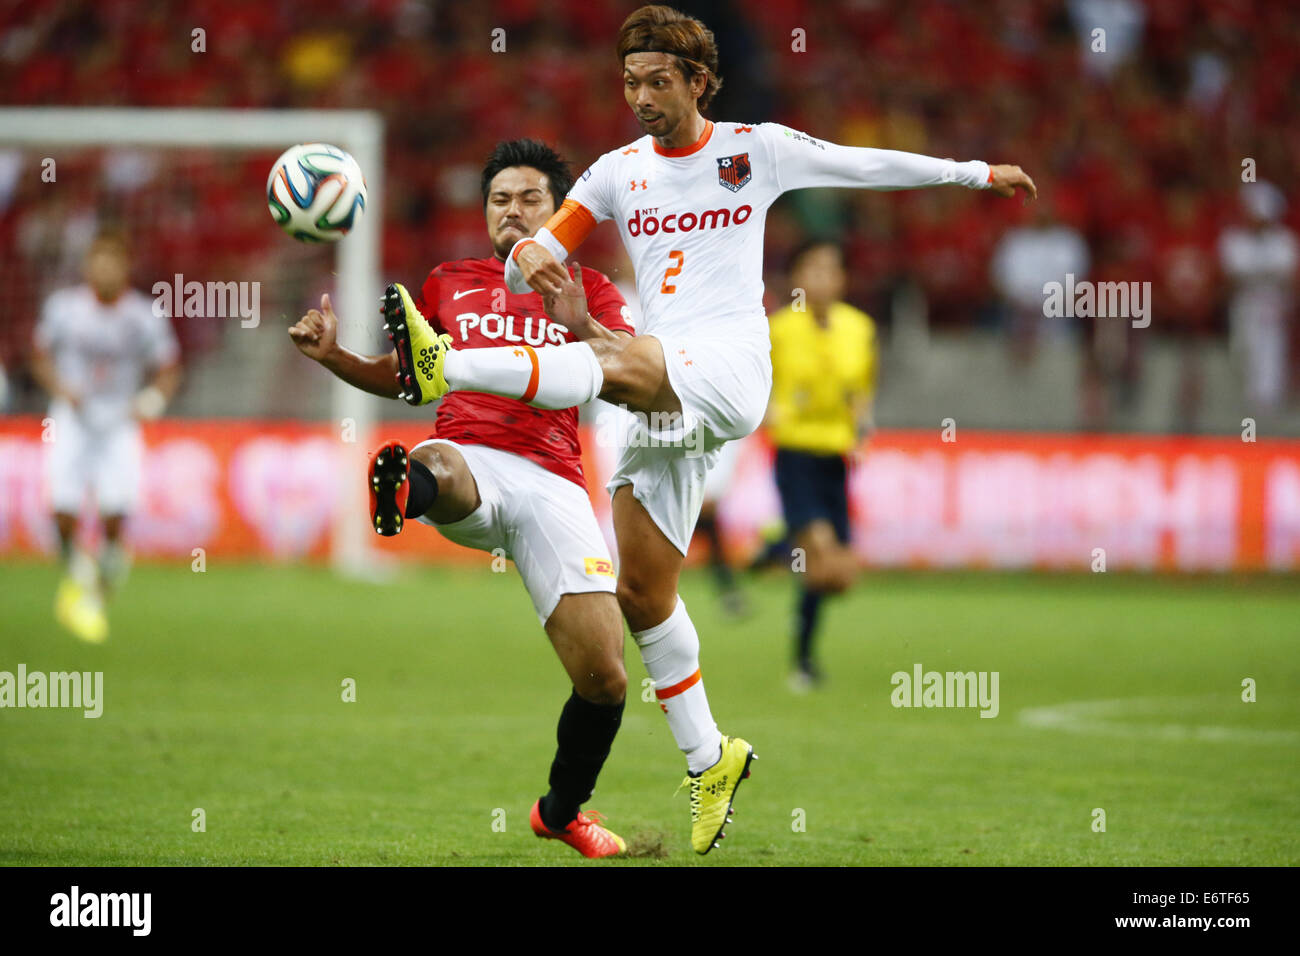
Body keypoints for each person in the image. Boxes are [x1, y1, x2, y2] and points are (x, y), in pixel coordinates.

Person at [387, 3, 1035, 853]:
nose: (642, 97)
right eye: (630, 82)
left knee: (616, 366)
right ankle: (710, 756)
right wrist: (535, 264)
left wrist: (973, 172)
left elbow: (859, 166)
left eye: (659, 80)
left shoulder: (751, 150)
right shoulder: (617, 172)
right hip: (658, 382)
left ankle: (447, 367)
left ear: (699, 80)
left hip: (724, 369)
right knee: (642, 591)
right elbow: (536, 248)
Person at [289, 140, 633, 859]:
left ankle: (562, 811)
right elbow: (408, 374)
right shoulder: (450, 281)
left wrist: (578, 322)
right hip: (472, 454)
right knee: (437, 461)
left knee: (604, 679)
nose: (512, 210)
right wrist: (336, 358)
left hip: (554, 478)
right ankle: (408, 489)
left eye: (529, 198)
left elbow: (624, 370)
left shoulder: (592, 289)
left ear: (562, 211)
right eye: (499, 199)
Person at [31, 229, 182, 643]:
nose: (104, 269)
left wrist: (152, 399)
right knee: (62, 514)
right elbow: (39, 354)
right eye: (98, 261)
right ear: (87, 266)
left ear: (124, 268)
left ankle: (95, 597)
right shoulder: (64, 309)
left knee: (115, 517)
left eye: (112, 261)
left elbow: (169, 366)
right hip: (73, 419)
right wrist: (60, 388)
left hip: (118, 422)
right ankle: (80, 573)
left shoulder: (143, 316)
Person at [766, 240, 876, 690]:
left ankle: (773, 551)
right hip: (795, 454)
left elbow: (863, 391)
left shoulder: (859, 328)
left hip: (836, 457)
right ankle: (804, 662)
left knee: (837, 577)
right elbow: (760, 384)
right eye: (812, 269)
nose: (822, 278)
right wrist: (768, 409)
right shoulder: (777, 329)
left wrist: (863, 431)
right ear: (796, 278)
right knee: (824, 554)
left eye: (831, 270)